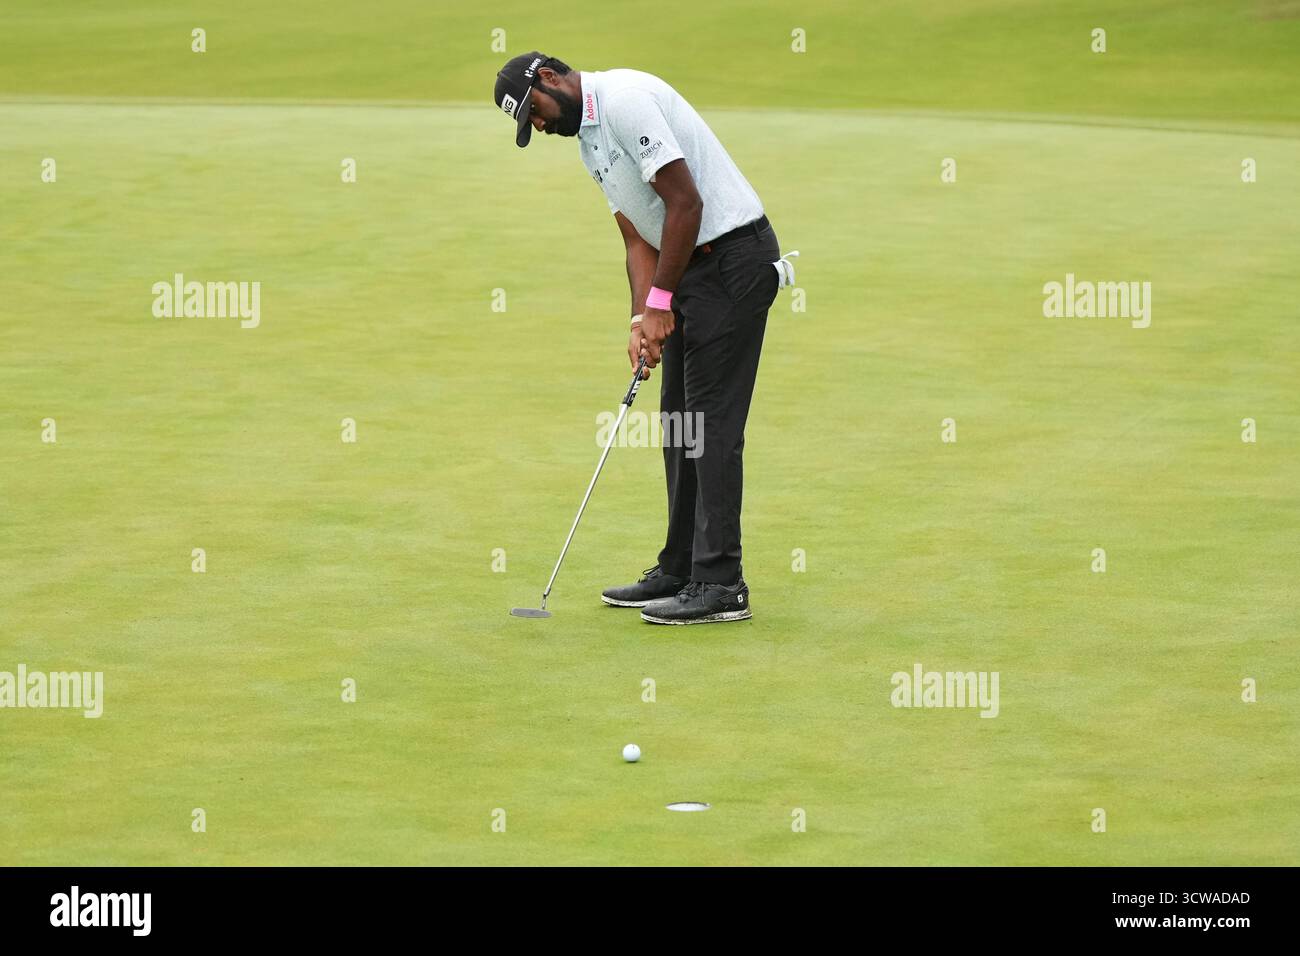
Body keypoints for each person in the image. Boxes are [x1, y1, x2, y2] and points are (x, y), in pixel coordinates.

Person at [494, 52, 783, 625]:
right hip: (686, 271)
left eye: (538, 112)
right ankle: (681, 567)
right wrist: (640, 319)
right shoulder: (588, 145)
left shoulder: (625, 101)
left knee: (710, 429)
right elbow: (638, 241)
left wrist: (659, 303)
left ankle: (722, 584)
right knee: (679, 424)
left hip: (732, 260)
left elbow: (686, 202)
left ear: (550, 78)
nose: (543, 126)